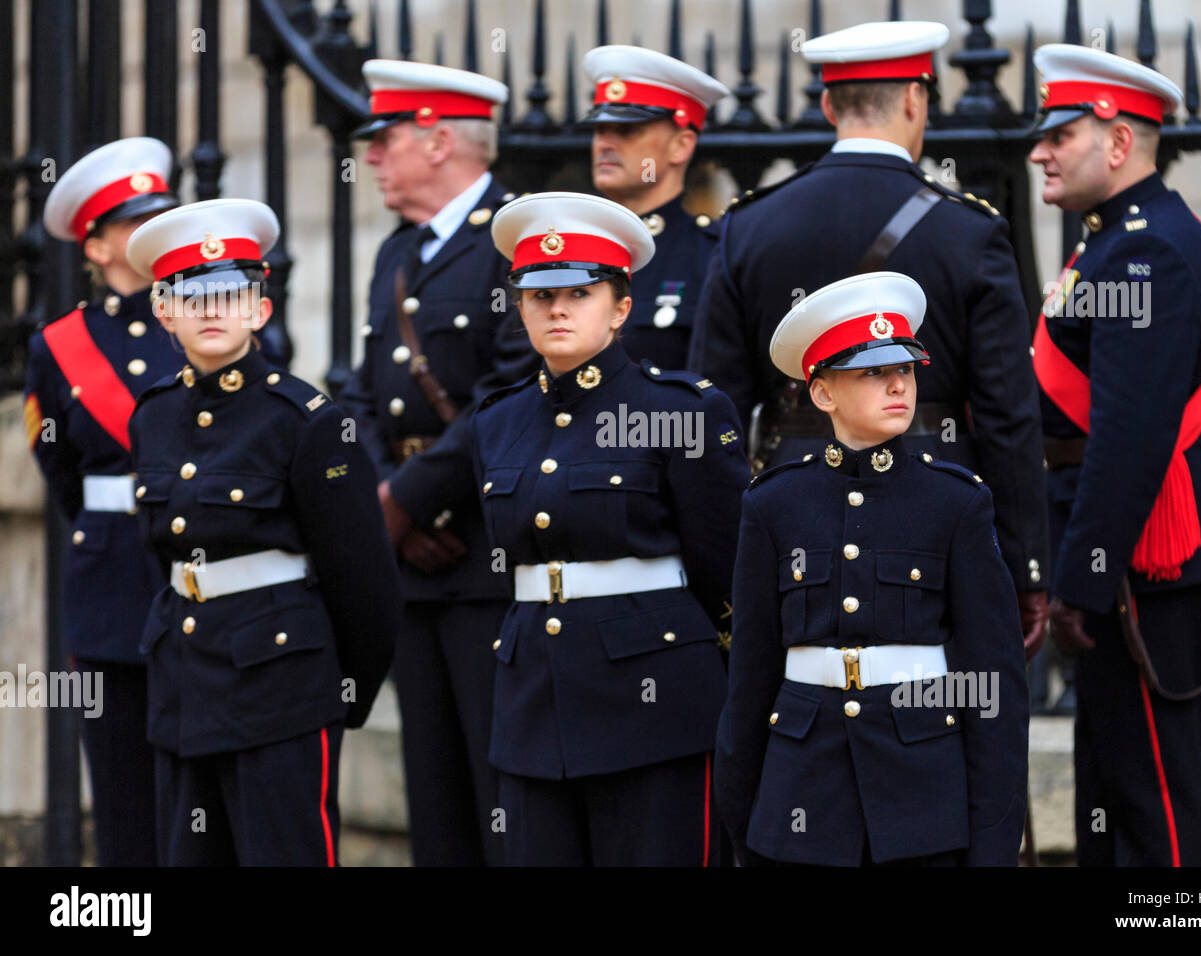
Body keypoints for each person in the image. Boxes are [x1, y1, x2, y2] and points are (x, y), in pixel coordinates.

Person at [388, 192, 751, 865]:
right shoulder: (497, 420)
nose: (557, 308)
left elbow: (727, 568)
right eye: (538, 294)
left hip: (656, 707)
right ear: (519, 306)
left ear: (620, 307)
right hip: (535, 704)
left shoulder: (681, 411)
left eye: (580, 293)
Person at [689, 20, 1050, 658]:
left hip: (788, 506)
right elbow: (1008, 417)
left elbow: (709, 411)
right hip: (935, 503)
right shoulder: (969, 233)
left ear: (828, 105)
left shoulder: (748, 225)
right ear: (916, 100)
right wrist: (1023, 569)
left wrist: (730, 555)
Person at [714, 271, 1029, 866]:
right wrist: (746, 824)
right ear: (823, 393)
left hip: (923, 803)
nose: (897, 386)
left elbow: (995, 688)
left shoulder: (955, 502)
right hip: (800, 801)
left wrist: (991, 844)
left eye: (904, 370)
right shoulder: (774, 504)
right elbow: (750, 681)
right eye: (872, 373)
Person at [124, 198, 400, 866]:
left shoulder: (305, 420)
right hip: (186, 689)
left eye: (230, 294)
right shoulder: (152, 416)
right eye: (192, 296)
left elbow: (364, 584)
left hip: (282, 694)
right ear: (163, 310)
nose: (212, 310)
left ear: (259, 309)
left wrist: (335, 699)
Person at [1027, 45, 1201, 867]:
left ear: (1117, 144)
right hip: (1115, 552)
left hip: (1140, 558)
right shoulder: (1112, 239)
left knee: (1149, 801)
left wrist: (1079, 579)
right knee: (1112, 785)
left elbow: (1127, 438)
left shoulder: (1144, 252)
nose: (1039, 149)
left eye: (1061, 133)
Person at [340, 58, 527, 866]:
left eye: (387, 140)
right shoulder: (397, 254)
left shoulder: (516, 241)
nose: (373, 157)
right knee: (435, 797)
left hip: (485, 557)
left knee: (500, 792)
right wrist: (384, 496)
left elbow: (508, 393)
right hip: (412, 563)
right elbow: (359, 391)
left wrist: (405, 500)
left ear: (441, 140)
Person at [24, 136, 182, 866]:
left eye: (160, 212)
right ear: (94, 245)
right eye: (132, 221)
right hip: (114, 580)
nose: (153, 229)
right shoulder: (59, 346)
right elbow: (62, 473)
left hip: (198, 572)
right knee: (123, 796)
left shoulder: (206, 320)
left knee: (201, 794)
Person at [580, 45, 729, 370]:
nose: (605, 142)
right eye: (599, 129)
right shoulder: (570, 245)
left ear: (681, 145)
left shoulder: (713, 255)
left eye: (627, 130)